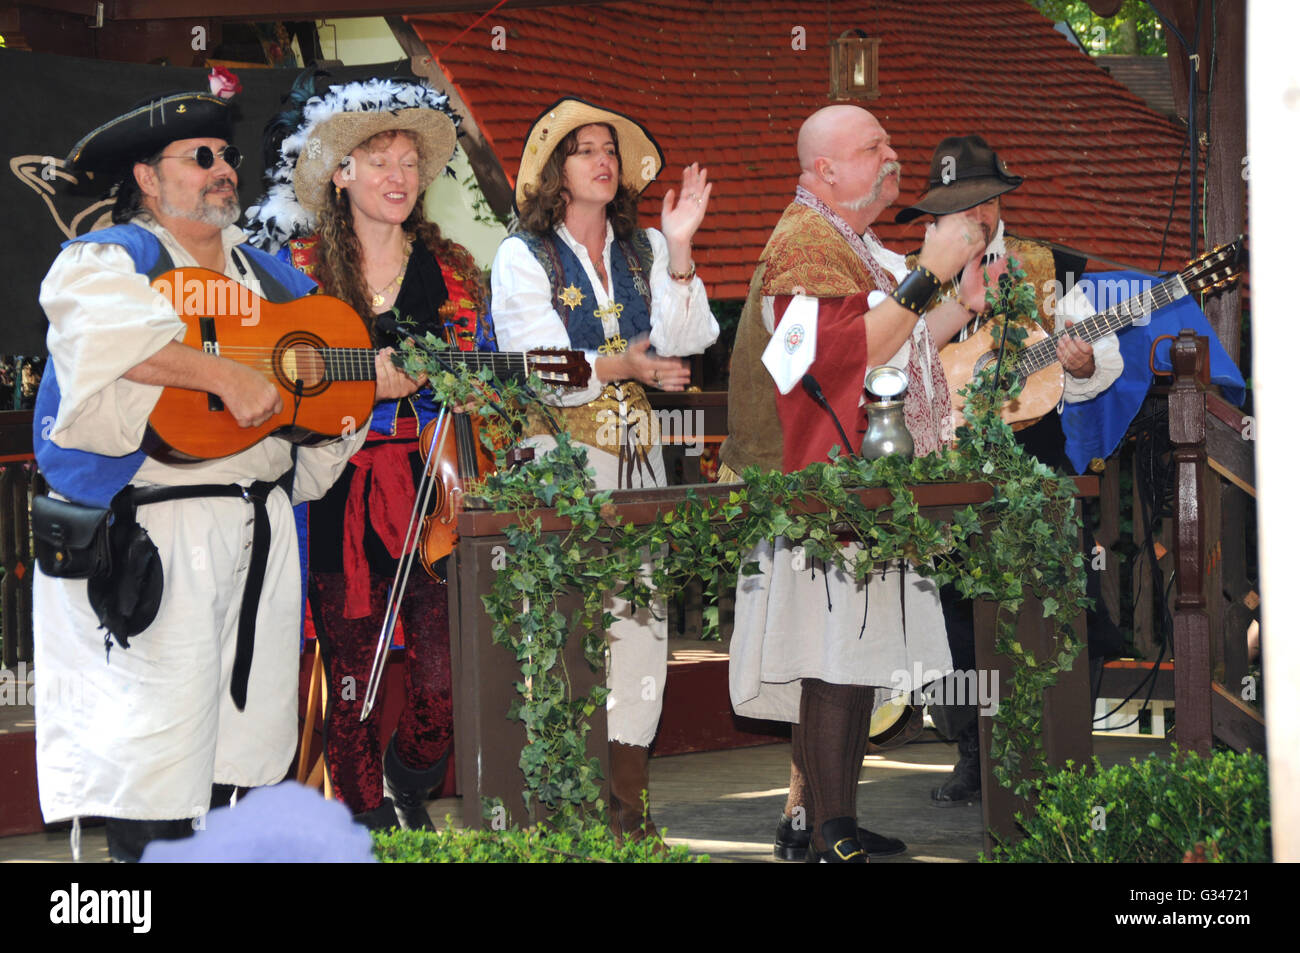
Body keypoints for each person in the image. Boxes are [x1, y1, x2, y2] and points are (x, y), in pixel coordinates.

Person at [31, 84, 379, 862]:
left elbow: (313, 414)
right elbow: (106, 346)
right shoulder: (110, 258)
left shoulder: (276, 282)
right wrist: (218, 376)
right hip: (158, 532)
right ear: (150, 179)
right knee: (153, 752)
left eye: (226, 155)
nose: (223, 168)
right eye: (201, 157)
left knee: (245, 749)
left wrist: (363, 387)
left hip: (258, 530)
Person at [718, 104, 986, 862]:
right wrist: (929, 272)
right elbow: (827, 359)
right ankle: (829, 826)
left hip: (844, 481)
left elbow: (891, 351)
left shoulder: (850, 241)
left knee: (850, 655)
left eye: (890, 142)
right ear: (824, 169)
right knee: (835, 657)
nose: (893, 155)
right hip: (810, 484)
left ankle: (822, 820)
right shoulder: (802, 246)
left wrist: (955, 304)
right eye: (875, 147)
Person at [246, 75, 487, 829]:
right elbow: (268, 375)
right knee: (350, 675)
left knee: (442, 681)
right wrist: (362, 392)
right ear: (340, 175)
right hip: (330, 491)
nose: (399, 177)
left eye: (411, 164)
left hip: (428, 493)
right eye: (380, 161)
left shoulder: (452, 272)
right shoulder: (296, 272)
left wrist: (450, 385)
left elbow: (480, 386)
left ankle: (409, 778)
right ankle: (366, 821)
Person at [490, 98, 718, 840]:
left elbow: (691, 337)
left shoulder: (643, 246)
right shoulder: (522, 255)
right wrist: (623, 364)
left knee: (641, 630)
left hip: (637, 460)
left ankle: (629, 810)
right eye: (584, 148)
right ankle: (559, 811)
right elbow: (539, 365)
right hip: (560, 460)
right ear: (555, 171)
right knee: (560, 630)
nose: (602, 159)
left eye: (609, 150)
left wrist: (680, 247)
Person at [894, 134, 1123, 808]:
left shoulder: (1048, 264)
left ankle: (1064, 747)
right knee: (962, 610)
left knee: (1070, 597)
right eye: (953, 204)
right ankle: (975, 753)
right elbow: (890, 366)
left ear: (997, 203)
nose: (969, 214)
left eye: (978, 201)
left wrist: (1082, 366)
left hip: (1037, 450)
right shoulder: (913, 269)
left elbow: (1097, 360)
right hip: (952, 456)